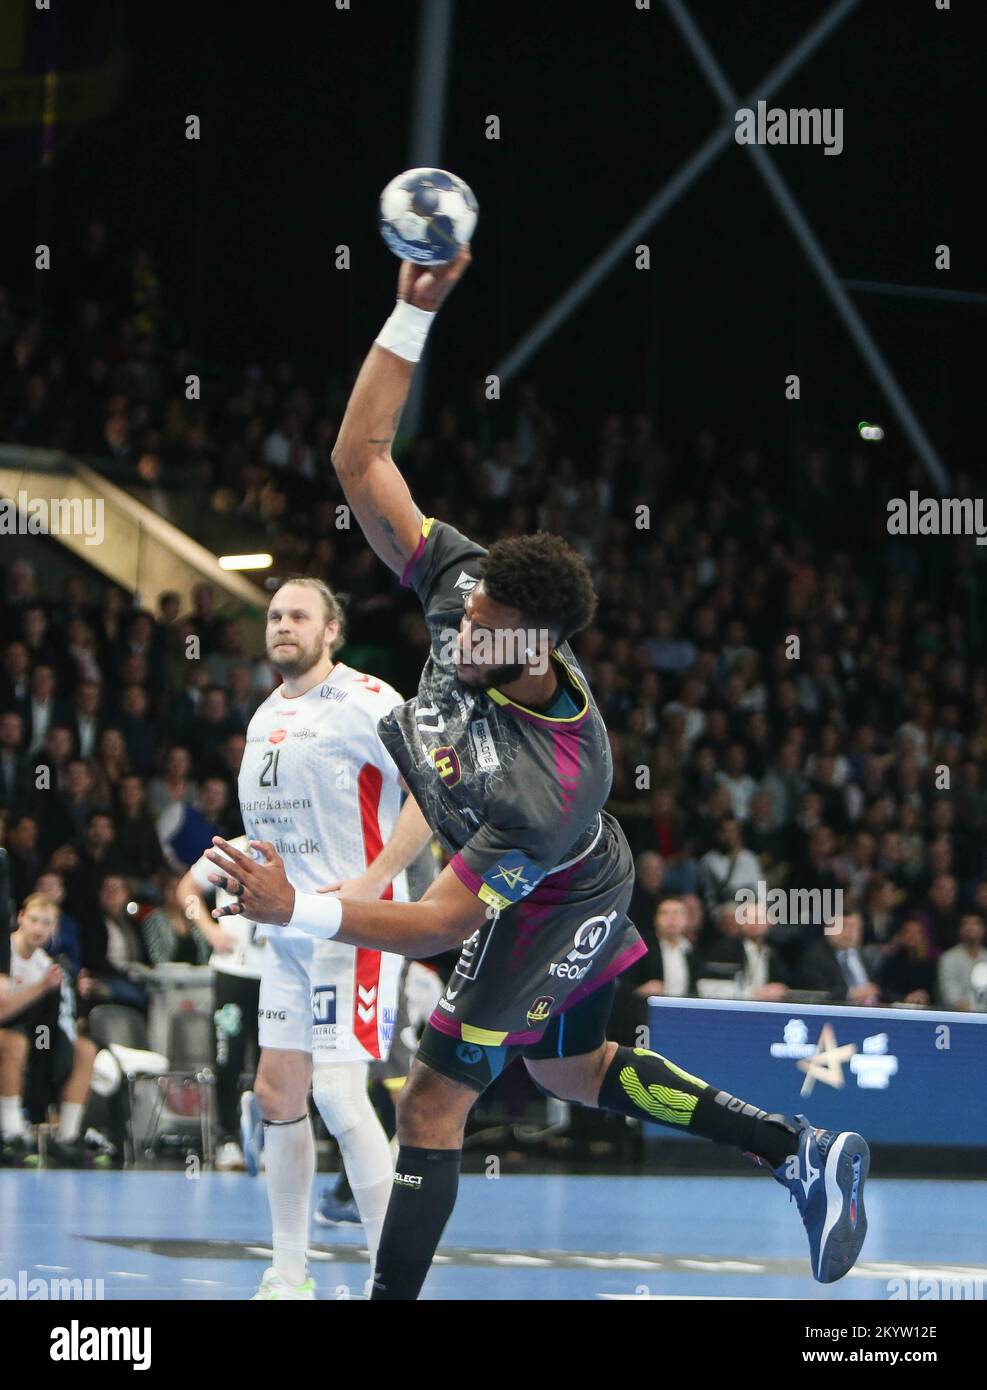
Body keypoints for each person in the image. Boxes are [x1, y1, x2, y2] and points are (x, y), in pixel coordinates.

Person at [207, 247, 870, 1299]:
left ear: (543, 643)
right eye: (466, 611)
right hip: (548, 876)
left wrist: (303, 909)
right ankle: (797, 1149)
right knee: (573, 1069)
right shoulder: (470, 586)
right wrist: (410, 312)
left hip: (549, 895)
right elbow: (357, 456)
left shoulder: (550, 783)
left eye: (488, 629)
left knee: (430, 1100)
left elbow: (441, 926)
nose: (461, 629)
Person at [208, 577, 435, 1299]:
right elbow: (274, 828)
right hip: (289, 927)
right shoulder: (264, 713)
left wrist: (373, 881)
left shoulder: (368, 700)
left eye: (298, 614)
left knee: (338, 1093)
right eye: (274, 615)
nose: (283, 625)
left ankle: (389, 1281)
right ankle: (287, 1269)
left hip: (354, 923)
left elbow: (430, 794)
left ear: (330, 629)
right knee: (278, 1091)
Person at [178, 838, 265, 1171]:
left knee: (273, 1059)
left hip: (279, 974)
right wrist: (208, 929)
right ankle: (226, 1138)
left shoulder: (296, 841)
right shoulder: (232, 848)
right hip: (233, 971)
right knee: (226, 1056)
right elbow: (185, 888)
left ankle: (268, 1137)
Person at [0, 893, 97, 1166]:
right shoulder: (3, 953)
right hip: (8, 1035)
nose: (38, 929)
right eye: (33, 920)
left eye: (46, 923)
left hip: (33, 1040)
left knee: (85, 1049)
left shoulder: (46, 963)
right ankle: (12, 1132)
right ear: (20, 918)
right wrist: (41, 987)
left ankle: (66, 1137)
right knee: (15, 1043)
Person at [937, 914, 987, 1011]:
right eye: (967, 924)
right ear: (960, 930)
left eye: (976, 924)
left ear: (983, 930)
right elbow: (949, 993)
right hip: (956, 1016)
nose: (971, 928)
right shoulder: (949, 958)